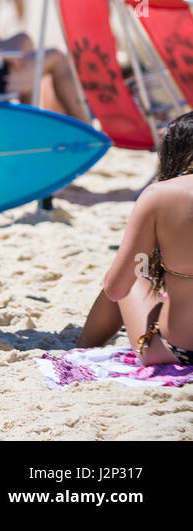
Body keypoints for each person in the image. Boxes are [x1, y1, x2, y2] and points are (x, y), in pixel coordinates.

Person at [78, 111, 193, 365]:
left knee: (132, 278)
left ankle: (81, 349)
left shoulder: (160, 195)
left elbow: (116, 289)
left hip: (181, 352)